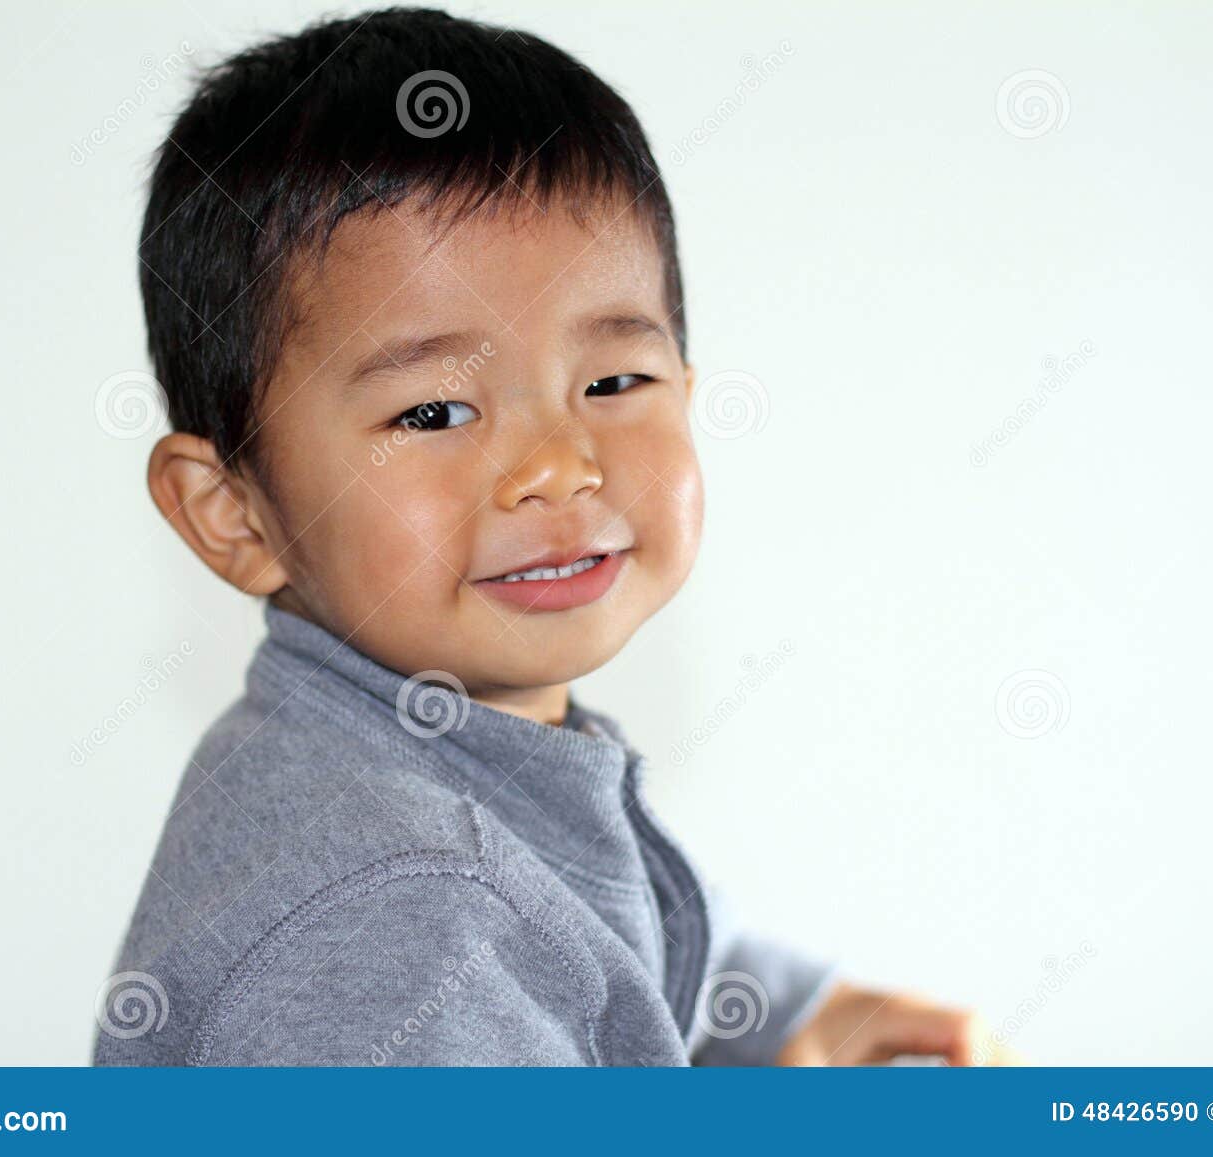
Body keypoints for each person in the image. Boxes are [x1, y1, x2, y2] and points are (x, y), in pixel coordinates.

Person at [94, 5, 1003, 1066]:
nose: (558, 463)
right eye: (432, 412)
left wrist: (798, 1015)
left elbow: (612, 941)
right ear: (233, 511)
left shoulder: (437, 752)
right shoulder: (406, 924)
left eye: (614, 380)